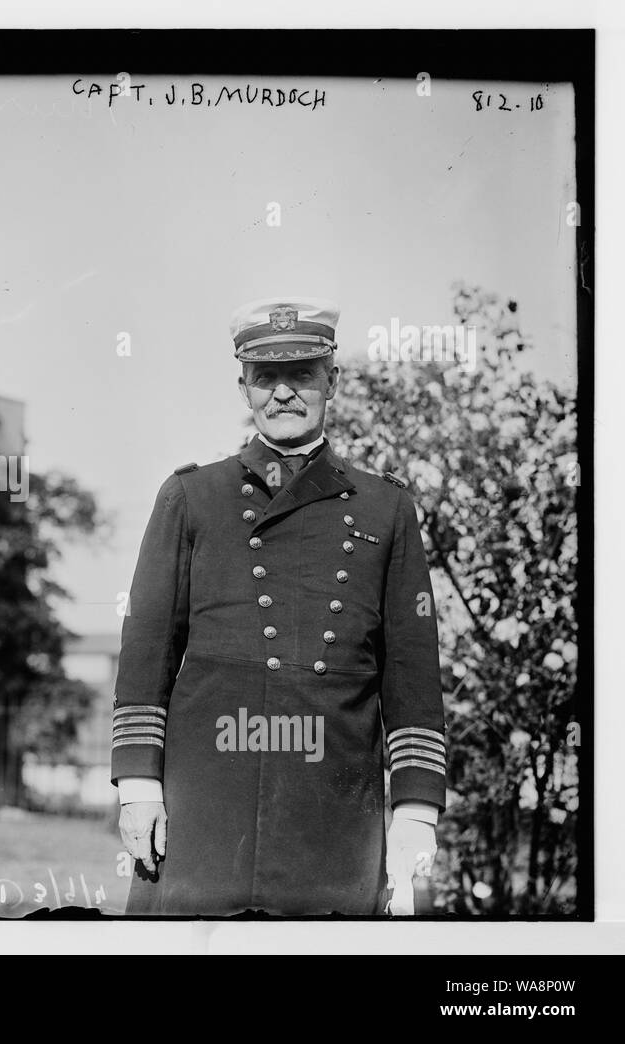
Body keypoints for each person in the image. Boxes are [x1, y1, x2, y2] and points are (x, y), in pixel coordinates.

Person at [113, 298, 446, 916]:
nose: (284, 393)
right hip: (208, 797)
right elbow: (146, 650)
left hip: (333, 807)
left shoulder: (384, 508)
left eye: (303, 375)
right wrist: (138, 785)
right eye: (267, 377)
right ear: (243, 386)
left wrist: (416, 811)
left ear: (332, 382)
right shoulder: (192, 497)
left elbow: (412, 672)